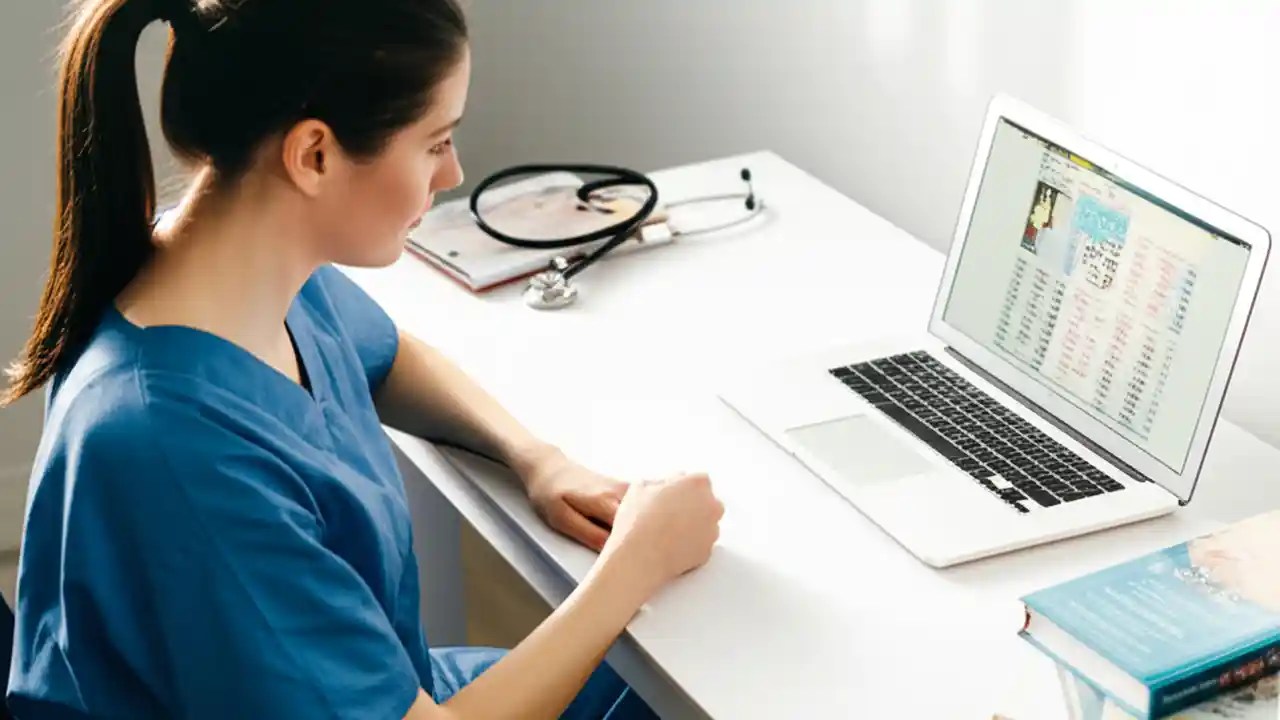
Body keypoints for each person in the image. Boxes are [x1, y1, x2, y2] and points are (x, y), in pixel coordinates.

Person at [0, 0, 724, 718]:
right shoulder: (174, 447)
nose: (453, 174)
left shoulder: (232, 269)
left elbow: (387, 356)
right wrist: (635, 565)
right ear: (314, 154)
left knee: (668, 689)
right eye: (436, 143)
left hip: (381, 691)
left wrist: (536, 457)